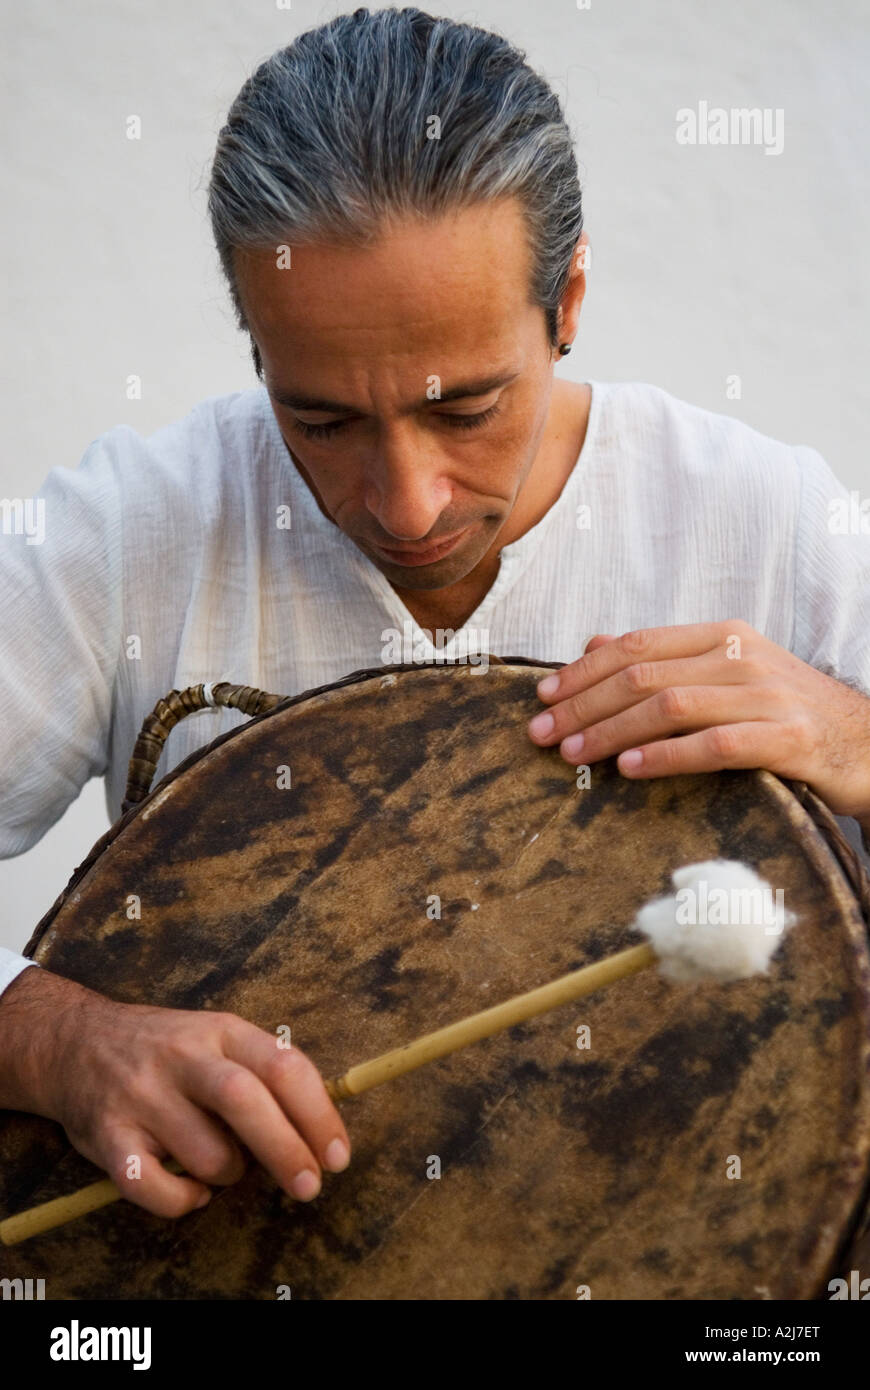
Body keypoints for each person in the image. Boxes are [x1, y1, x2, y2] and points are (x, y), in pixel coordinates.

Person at [1, 6, 868, 1224]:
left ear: (566, 300)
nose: (405, 503)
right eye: (323, 422)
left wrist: (852, 741)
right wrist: (52, 1040)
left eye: (464, 409)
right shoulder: (130, 533)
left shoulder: (766, 525)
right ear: (254, 345)